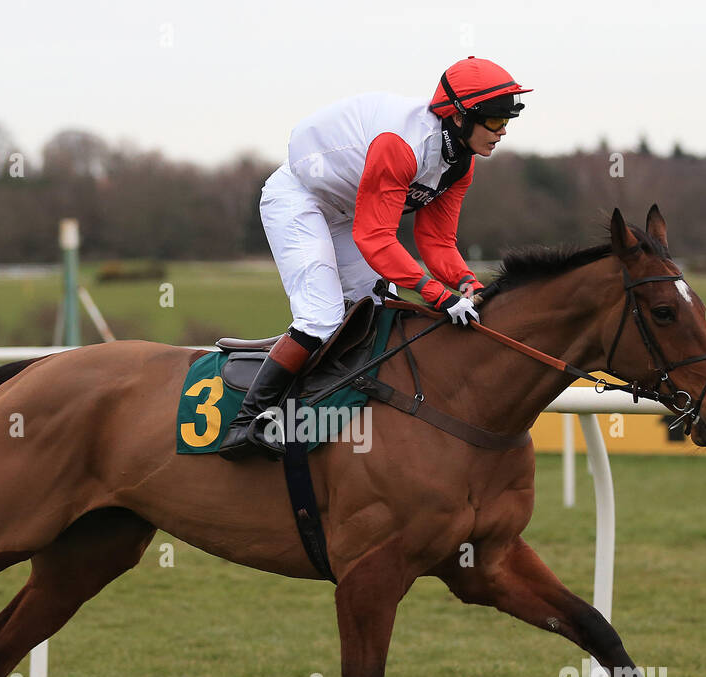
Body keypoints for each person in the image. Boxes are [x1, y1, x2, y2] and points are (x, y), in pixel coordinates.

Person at [219, 56, 531, 460]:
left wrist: (467, 283)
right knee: (321, 317)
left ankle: (348, 410)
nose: (502, 131)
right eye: (493, 120)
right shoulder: (401, 145)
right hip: (300, 199)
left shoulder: (459, 165)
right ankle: (246, 423)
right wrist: (437, 295)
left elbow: (435, 241)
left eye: (508, 121)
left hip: (348, 212)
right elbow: (375, 238)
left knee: (374, 309)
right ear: (458, 117)